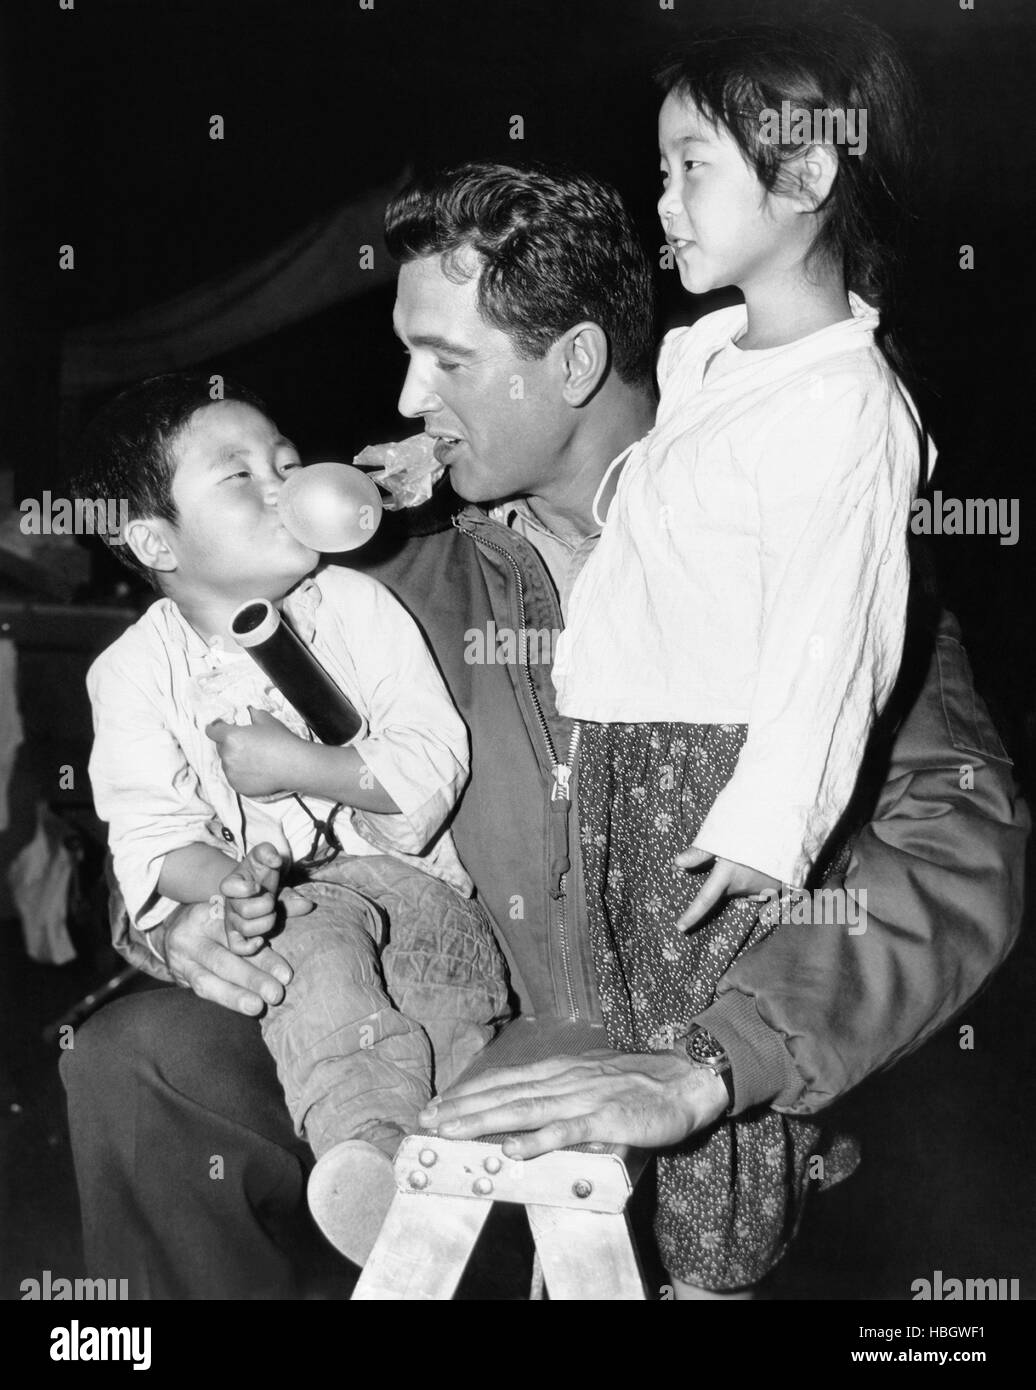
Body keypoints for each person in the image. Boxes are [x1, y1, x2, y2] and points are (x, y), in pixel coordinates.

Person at [61, 161, 1026, 1301]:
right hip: (429, 1028)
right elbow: (199, 782)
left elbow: (960, 839)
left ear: (571, 362)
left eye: (449, 361)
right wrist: (174, 918)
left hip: (718, 1068)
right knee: (140, 1060)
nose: (409, 399)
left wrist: (726, 1058)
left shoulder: (802, 523)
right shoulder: (387, 583)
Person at [545, 17, 927, 1295]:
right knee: (622, 1037)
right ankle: (617, 1260)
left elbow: (838, 638)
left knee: (699, 1066)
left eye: (692, 165)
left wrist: (769, 827)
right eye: (662, 169)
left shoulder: (846, 403)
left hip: (712, 782)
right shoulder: (706, 358)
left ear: (808, 176)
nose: (663, 199)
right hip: (620, 754)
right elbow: (653, 531)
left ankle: (712, 1276)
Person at [72, 374, 509, 1267]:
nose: (287, 485)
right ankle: (376, 1160)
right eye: (241, 477)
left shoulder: (357, 605)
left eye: (285, 460)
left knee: (458, 1040)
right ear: (154, 537)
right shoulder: (131, 672)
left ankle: (455, 1208)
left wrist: (305, 768)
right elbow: (152, 838)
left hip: (429, 902)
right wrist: (232, 891)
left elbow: (433, 760)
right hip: (309, 921)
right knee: (312, 945)